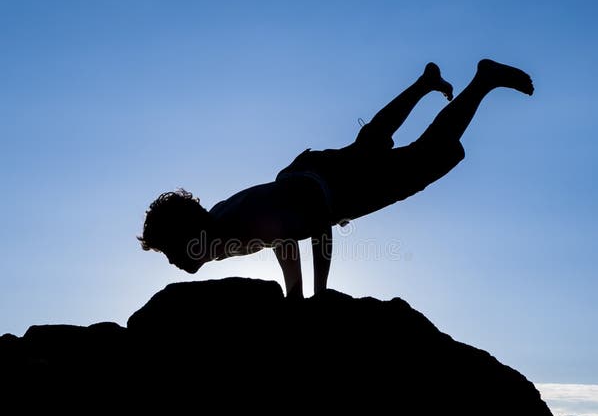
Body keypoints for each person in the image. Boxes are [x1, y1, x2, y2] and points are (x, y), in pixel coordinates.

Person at [138, 59, 534, 298]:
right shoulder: (221, 225)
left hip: (329, 189)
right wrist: (295, 293)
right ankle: (425, 83)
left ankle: (483, 80)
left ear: (189, 233)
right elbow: (283, 235)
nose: (173, 261)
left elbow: (314, 220)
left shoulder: (229, 225)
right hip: (308, 175)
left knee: (423, 160)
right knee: (371, 144)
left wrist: (320, 292)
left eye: (170, 250)